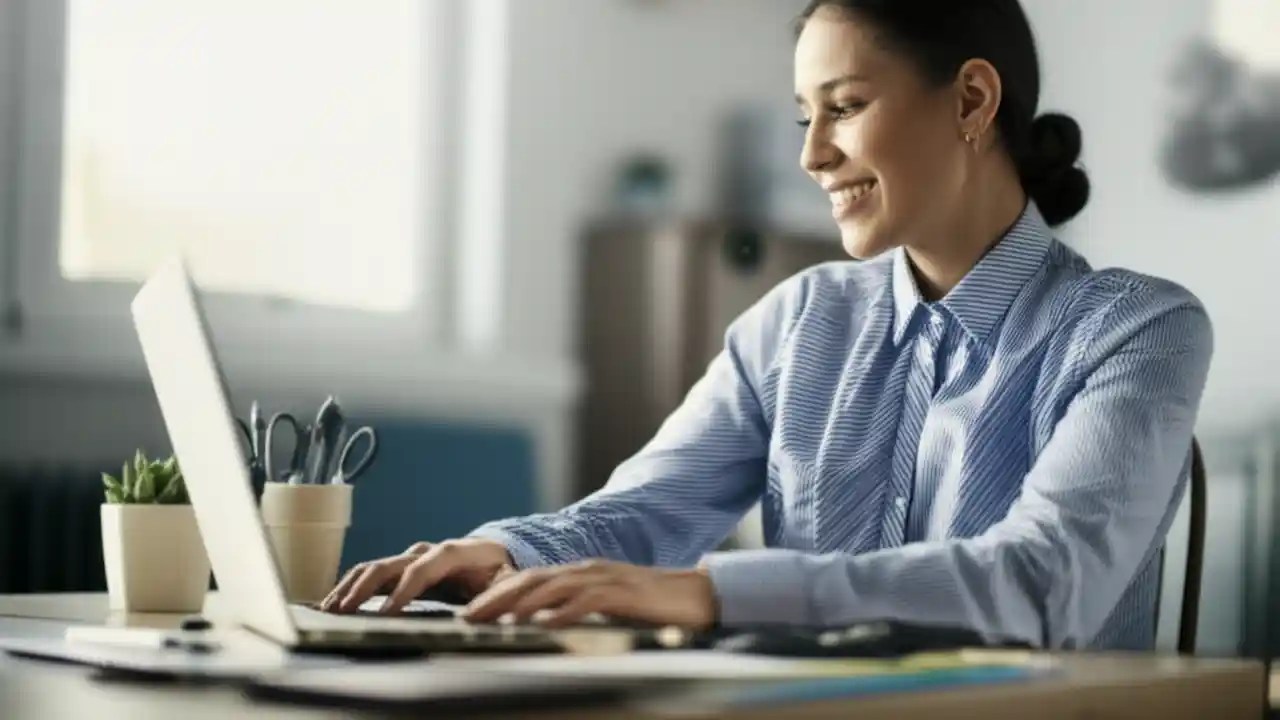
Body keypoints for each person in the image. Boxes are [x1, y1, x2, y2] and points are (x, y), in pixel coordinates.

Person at [322, 0, 1213, 650]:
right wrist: (501, 550)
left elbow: (1041, 583)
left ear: (973, 101)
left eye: (845, 105)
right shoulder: (798, 320)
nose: (811, 154)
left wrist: (713, 595)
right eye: (804, 115)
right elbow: (644, 515)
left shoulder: (1138, 331)